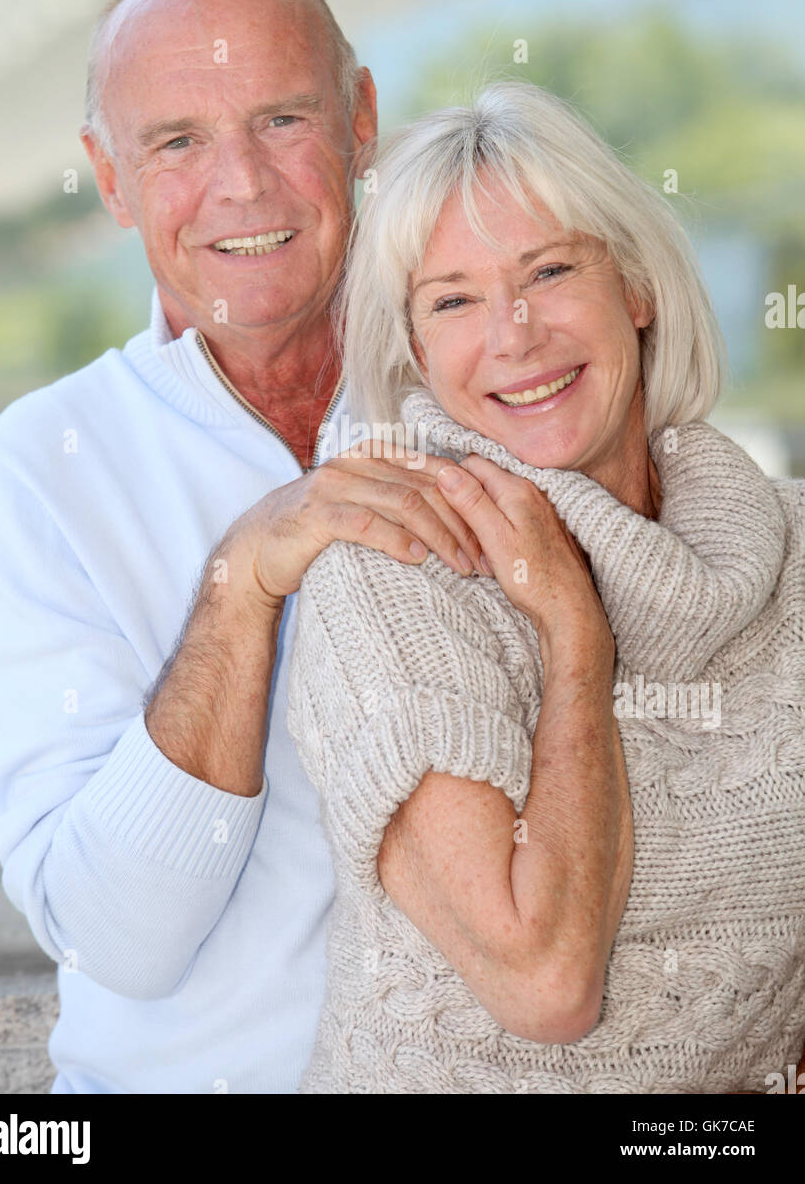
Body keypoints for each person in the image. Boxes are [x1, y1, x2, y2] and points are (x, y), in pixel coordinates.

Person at [0, 0, 485, 1094]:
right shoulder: (40, 472)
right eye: (177, 143)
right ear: (110, 177)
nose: (241, 185)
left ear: (359, 120)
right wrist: (241, 579)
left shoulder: (493, 386)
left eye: (281, 118)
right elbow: (120, 943)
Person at [286, 79, 805, 1094]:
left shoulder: (791, 543)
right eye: (453, 300)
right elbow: (545, 982)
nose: (514, 334)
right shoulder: (389, 574)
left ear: (636, 287)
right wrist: (576, 634)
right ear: (418, 353)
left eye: (550, 270)